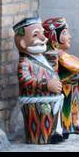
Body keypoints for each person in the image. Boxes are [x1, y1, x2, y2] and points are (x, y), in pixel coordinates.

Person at [14, 17, 65, 145]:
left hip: (51, 99)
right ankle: (41, 137)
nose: (44, 38)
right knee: (41, 120)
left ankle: (55, 133)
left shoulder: (42, 57)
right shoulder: (25, 62)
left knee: (53, 116)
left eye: (43, 33)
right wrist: (46, 84)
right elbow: (25, 80)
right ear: (23, 43)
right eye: (36, 35)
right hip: (36, 103)